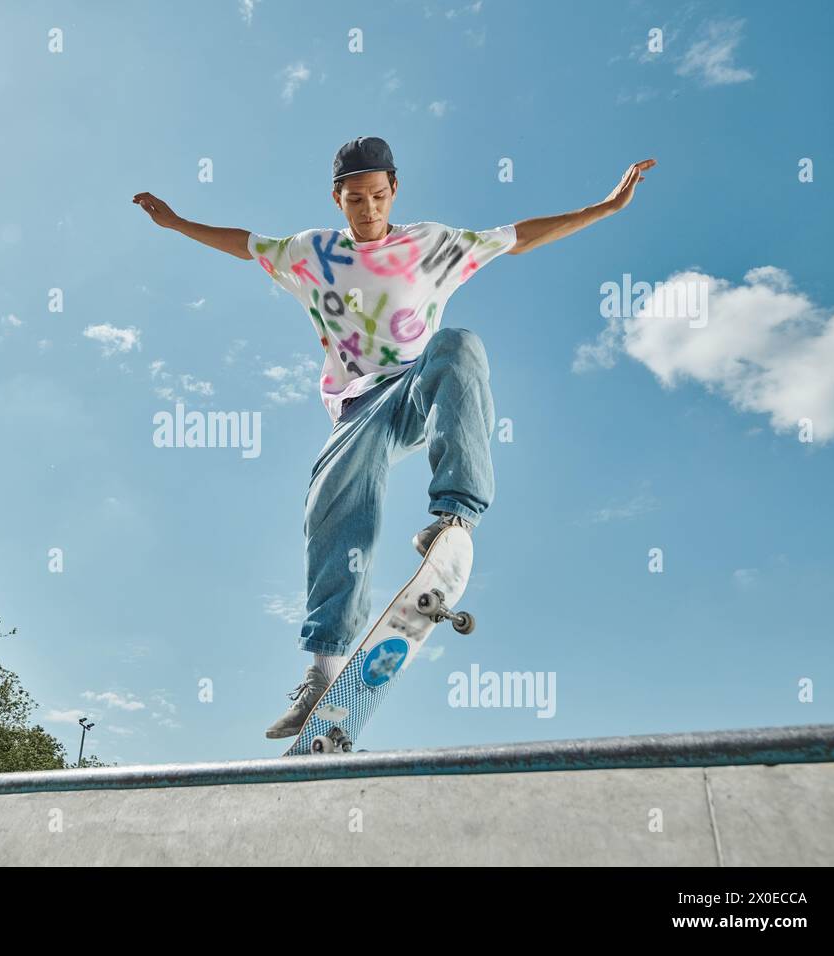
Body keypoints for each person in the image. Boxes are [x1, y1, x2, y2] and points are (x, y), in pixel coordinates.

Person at [134, 137, 655, 738]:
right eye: (355, 199)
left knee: (459, 345)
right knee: (331, 503)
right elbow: (242, 243)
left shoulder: (431, 244)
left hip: (416, 388)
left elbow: (518, 236)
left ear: (394, 191)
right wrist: (174, 223)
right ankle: (324, 671)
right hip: (357, 407)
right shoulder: (309, 252)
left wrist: (602, 208)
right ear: (337, 198)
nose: (368, 210)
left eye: (378, 197)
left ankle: (453, 518)